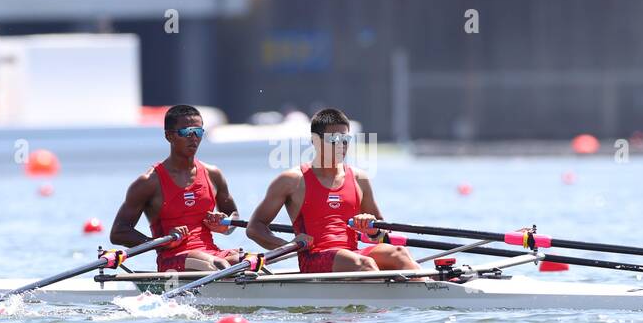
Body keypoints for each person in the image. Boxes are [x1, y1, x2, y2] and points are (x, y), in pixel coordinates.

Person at [246, 107, 420, 273]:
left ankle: (430, 289)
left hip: (353, 256)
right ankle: (385, 301)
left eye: (345, 140)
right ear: (315, 140)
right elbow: (255, 228)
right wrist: (288, 244)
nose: (341, 145)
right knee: (365, 264)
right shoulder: (292, 180)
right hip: (314, 258)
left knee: (399, 253)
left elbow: (382, 232)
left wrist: (372, 229)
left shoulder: (360, 178)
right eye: (334, 139)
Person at [109, 104, 244, 272]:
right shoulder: (148, 182)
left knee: (251, 261)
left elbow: (234, 217)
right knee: (219, 265)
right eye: (187, 132)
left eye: (199, 132)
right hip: (173, 259)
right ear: (169, 136)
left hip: (212, 253)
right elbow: (118, 232)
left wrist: (225, 226)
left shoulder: (213, 174)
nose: (194, 137)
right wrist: (160, 242)